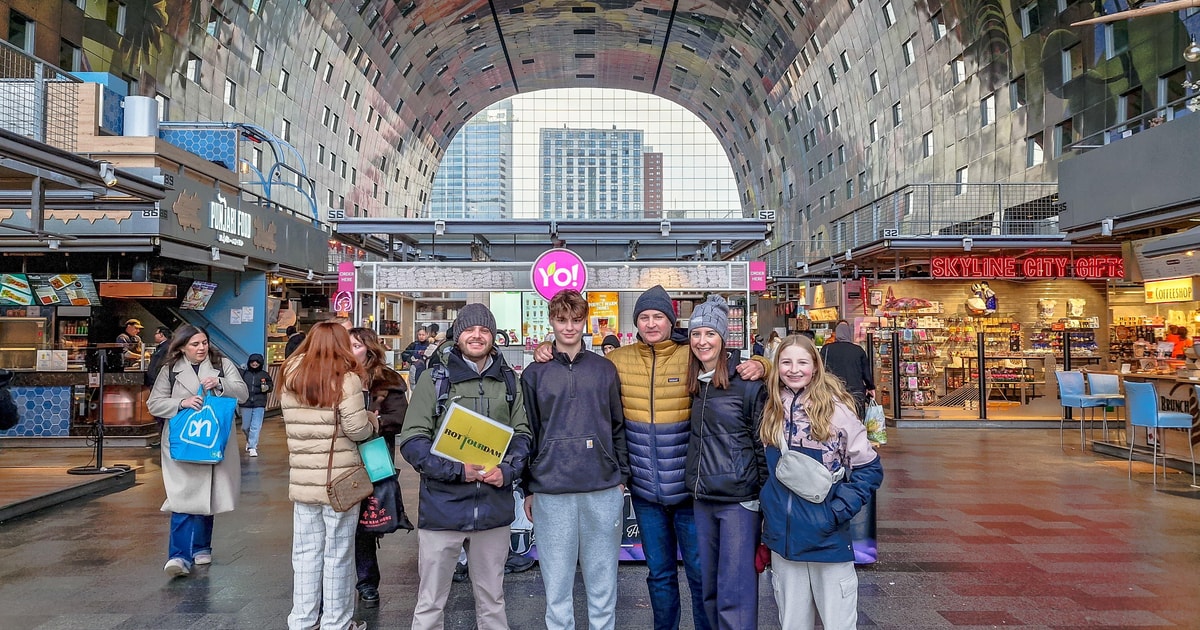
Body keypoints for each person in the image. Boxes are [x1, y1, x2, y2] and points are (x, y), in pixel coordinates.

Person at [584, 285, 767, 630]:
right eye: (644, 317)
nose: (651, 324)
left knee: (701, 573)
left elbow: (730, 359)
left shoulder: (691, 356)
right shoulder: (617, 360)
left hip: (689, 490)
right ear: (635, 322)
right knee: (660, 574)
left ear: (671, 321)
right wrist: (548, 348)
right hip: (645, 490)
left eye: (658, 317)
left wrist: (761, 362)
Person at [399, 303, 531, 630]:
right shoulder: (434, 380)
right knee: (430, 600)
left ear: (493, 337)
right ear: (458, 336)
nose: (476, 335)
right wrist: (459, 471)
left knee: (493, 599)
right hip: (443, 508)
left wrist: (509, 470)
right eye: (469, 330)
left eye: (484, 330)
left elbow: (523, 435)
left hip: (493, 509)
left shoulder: (510, 383)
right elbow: (413, 440)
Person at [521, 290, 628, 630]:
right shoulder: (534, 374)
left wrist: (621, 475)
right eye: (562, 320)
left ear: (585, 322)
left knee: (603, 583)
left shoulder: (605, 369)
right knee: (556, 586)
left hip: (602, 487)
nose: (569, 327)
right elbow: (529, 431)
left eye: (576, 320)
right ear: (551, 321)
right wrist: (528, 486)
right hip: (551, 489)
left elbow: (618, 424)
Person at [759, 335, 883, 630]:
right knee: (792, 624)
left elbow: (869, 469)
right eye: (786, 362)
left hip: (827, 540)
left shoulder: (837, 409)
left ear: (815, 366)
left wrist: (836, 512)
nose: (794, 369)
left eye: (802, 362)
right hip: (784, 543)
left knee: (839, 623)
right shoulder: (771, 407)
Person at [280, 321, 376, 630]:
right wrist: (372, 421)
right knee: (338, 554)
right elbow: (356, 429)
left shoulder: (290, 375)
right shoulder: (346, 379)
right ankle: (337, 622)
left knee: (305, 553)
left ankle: (302, 620)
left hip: (303, 481)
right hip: (340, 484)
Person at [683, 295, 768, 630]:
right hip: (704, 498)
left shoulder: (747, 384)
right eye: (695, 334)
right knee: (710, 592)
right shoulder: (696, 383)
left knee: (736, 595)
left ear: (723, 338)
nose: (702, 341)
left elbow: (763, 447)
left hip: (739, 501)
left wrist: (764, 362)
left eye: (710, 334)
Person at [146, 325, 249, 578]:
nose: (201, 348)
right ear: (181, 347)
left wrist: (221, 384)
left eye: (204, 342)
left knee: (207, 493)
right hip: (181, 441)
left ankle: (202, 546)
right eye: (194, 344)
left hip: (213, 439)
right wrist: (181, 403)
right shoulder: (169, 370)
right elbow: (154, 403)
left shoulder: (222, 364)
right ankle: (179, 555)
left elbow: (244, 394)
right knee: (182, 496)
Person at [348, 326, 414, 608]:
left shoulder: (387, 380)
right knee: (342, 523)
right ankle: (337, 583)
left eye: (356, 345)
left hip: (374, 454)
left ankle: (367, 582)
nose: (350, 351)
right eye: (347, 345)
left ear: (370, 349)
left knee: (365, 522)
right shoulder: (334, 377)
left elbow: (400, 418)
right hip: (339, 458)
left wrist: (370, 422)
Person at [818, 320, 874, 418]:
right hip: (855, 390)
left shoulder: (826, 349)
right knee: (856, 417)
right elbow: (866, 372)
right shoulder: (858, 350)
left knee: (834, 416)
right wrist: (870, 387)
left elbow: (820, 368)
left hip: (833, 389)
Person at [239, 353, 273, 457]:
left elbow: (270, 387)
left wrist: (266, 387)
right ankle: (250, 441)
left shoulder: (264, 374)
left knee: (256, 426)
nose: (254, 363)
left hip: (259, 403)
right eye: (252, 362)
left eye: (257, 362)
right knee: (245, 427)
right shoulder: (244, 374)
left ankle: (252, 447)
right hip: (246, 403)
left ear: (260, 363)